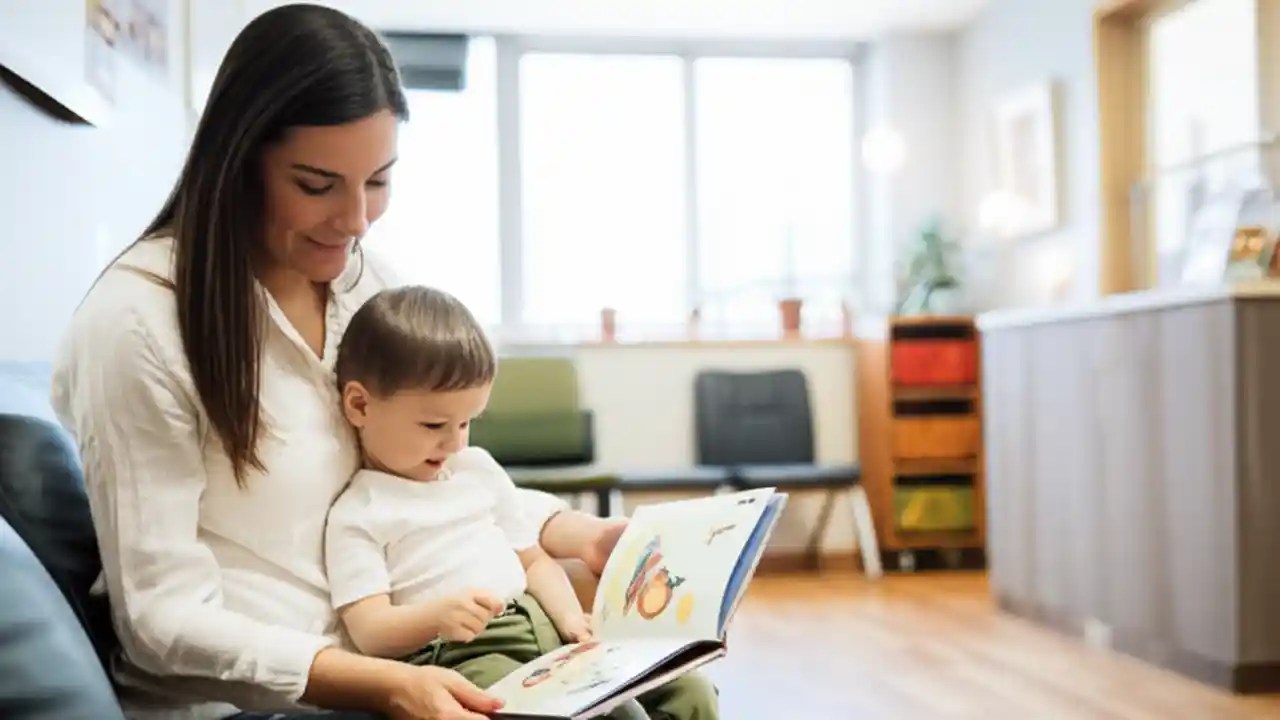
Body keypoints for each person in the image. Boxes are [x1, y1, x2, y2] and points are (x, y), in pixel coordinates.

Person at [50, 4, 625, 719]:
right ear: (239, 161)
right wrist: (374, 682)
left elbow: (423, 476)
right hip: (252, 703)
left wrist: (574, 534)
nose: (354, 219)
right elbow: (161, 622)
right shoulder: (139, 325)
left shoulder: (362, 281)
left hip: (399, 666)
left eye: (378, 181)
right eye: (317, 185)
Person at [325, 286, 718, 720]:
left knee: (689, 689)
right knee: (619, 714)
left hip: (546, 630)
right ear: (360, 405)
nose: (455, 441)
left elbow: (533, 562)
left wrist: (571, 619)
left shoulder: (474, 469)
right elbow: (369, 630)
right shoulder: (359, 514)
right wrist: (436, 617)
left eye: (466, 422)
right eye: (434, 423)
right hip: (464, 658)